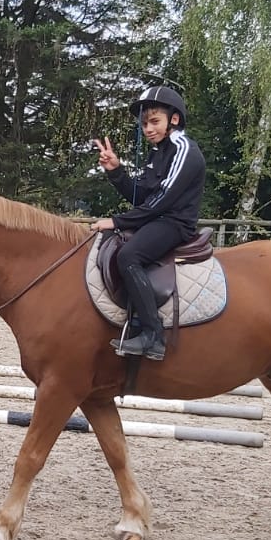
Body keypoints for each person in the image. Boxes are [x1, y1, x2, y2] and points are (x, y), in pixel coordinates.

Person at [90, 85, 206, 361]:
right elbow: (140, 195)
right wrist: (117, 171)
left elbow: (164, 199)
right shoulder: (157, 154)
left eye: (154, 121)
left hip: (174, 223)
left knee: (129, 255)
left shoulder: (183, 149)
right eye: (144, 124)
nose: (148, 128)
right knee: (111, 245)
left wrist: (116, 220)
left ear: (173, 120)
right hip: (156, 218)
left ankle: (153, 336)